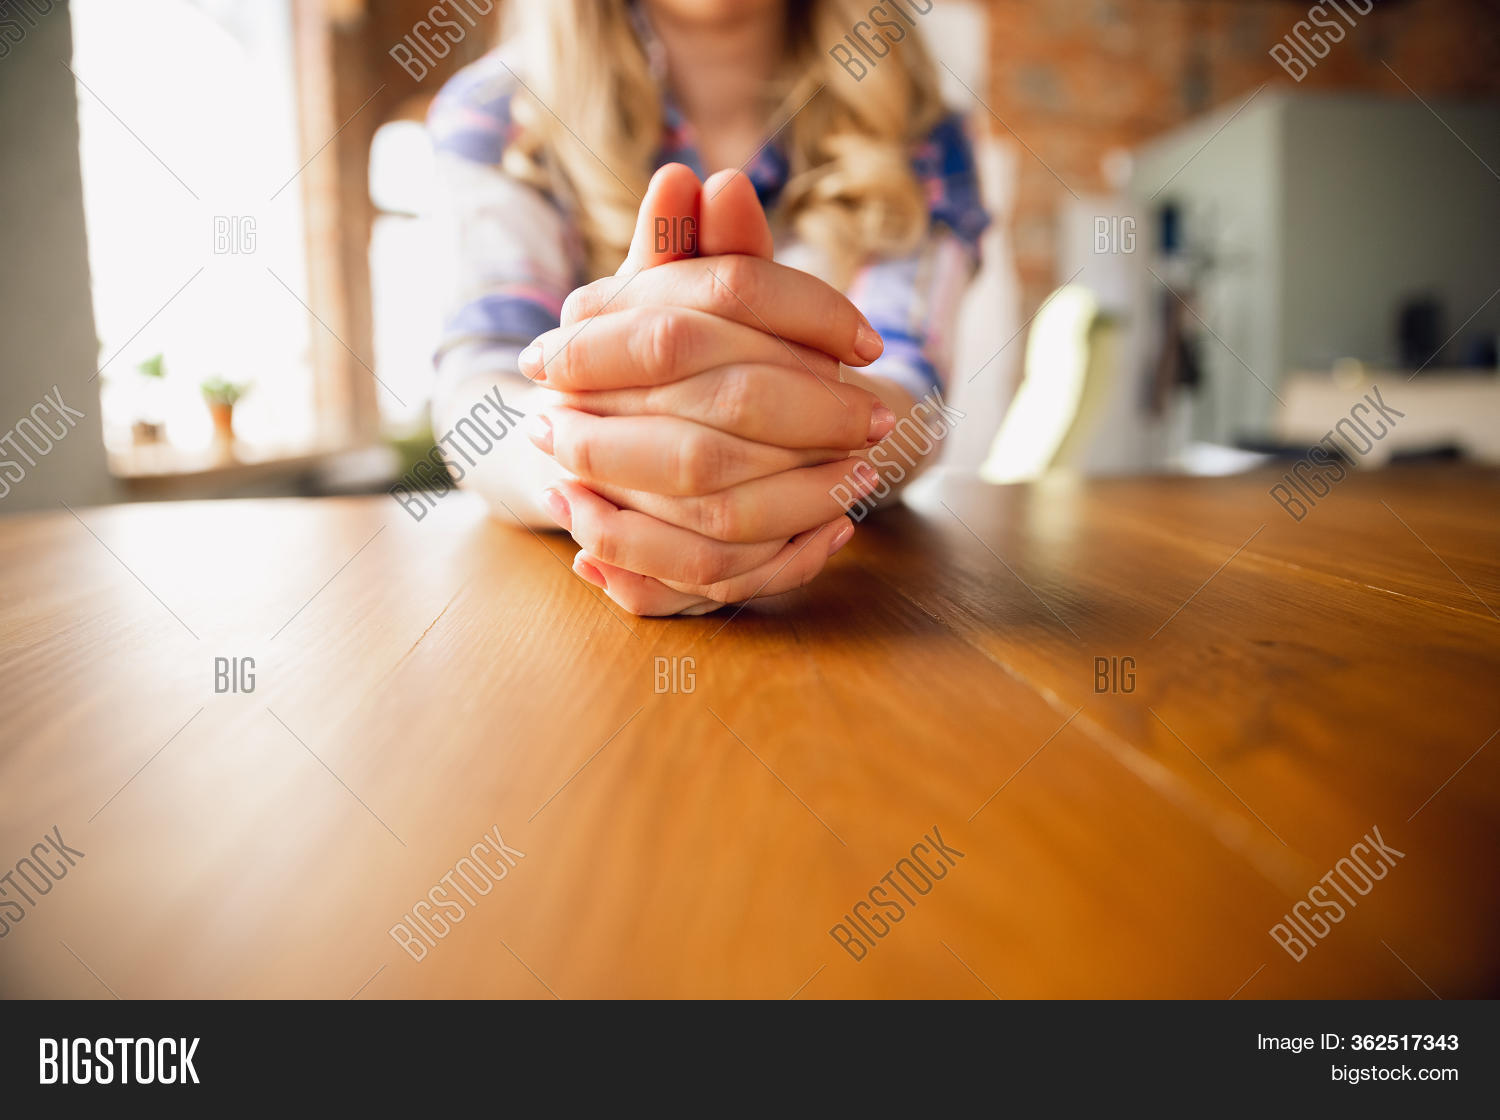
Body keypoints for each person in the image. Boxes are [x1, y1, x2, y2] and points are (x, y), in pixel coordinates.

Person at [428, 0, 986, 615]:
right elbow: (476, 401)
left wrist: (742, 476)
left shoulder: (915, 124)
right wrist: (604, 468)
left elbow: (910, 389)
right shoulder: (497, 107)